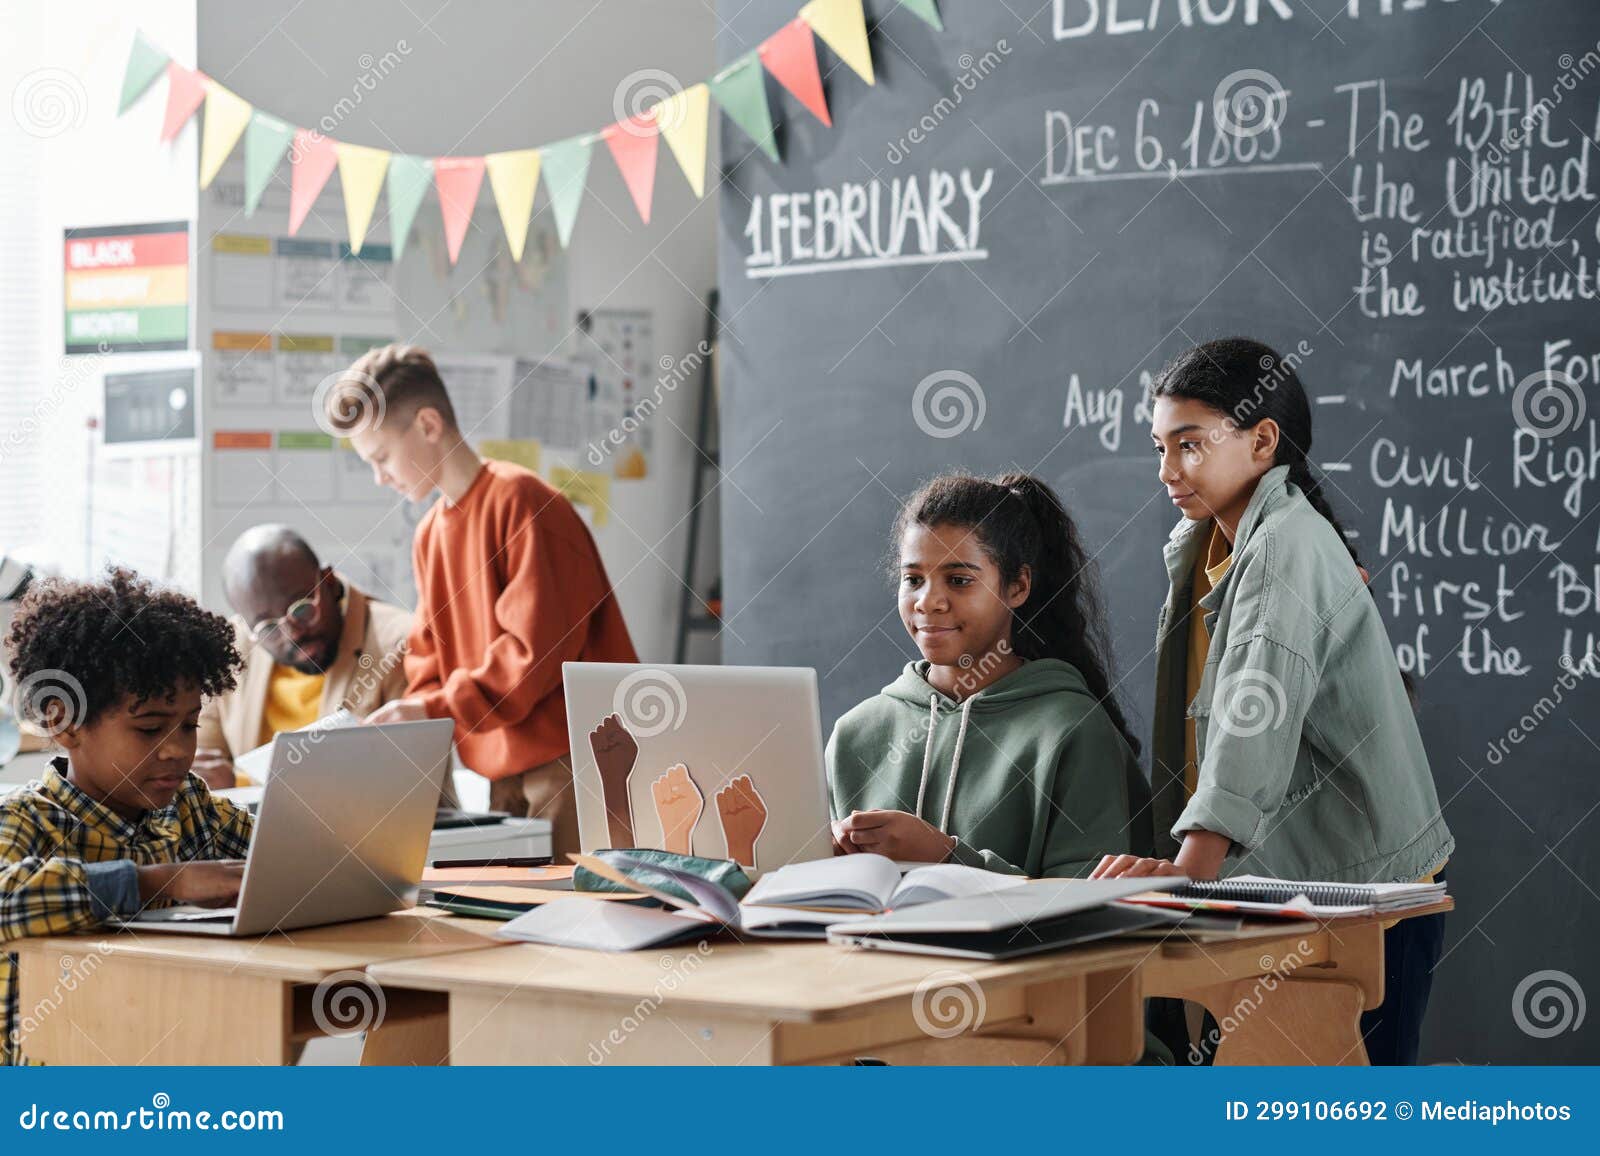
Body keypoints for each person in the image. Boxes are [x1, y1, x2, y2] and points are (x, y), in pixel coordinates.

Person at [1092, 337, 1453, 1065]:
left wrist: (1189, 868)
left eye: (1189, 446)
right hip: (1291, 885)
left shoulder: (1286, 543)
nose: (1167, 471)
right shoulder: (1206, 543)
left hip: (1371, 894)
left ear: (1262, 442)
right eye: (1160, 447)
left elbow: (1254, 709)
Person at [326, 344, 637, 856]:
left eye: (381, 457)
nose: (380, 476)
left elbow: (533, 655)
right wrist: (417, 709)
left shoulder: (522, 501)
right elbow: (427, 651)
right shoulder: (430, 533)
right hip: (499, 771)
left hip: (571, 762)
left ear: (428, 425)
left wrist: (431, 707)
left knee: (575, 921)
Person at [827, 471, 1151, 877]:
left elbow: (1088, 907)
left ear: (1017, 587)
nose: (928, 602)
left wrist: (947, 856)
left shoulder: (1073, 730)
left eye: (959, 580)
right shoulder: (854, 734)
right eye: (913, 580)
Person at [0, 568, 253, 1064]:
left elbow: (283, 862)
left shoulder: (192, 811)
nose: (178, 750)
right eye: (150, 728)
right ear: (63, 721)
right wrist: (162, 882)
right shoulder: (25, 820)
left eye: (189, 725)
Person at [193, 525, 427, 794]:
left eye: (301, 609)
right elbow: (201, 767)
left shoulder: (399, 642)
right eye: (269, 628)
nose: (292, 634)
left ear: (328, 582)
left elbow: (409, 785)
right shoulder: (231, 651)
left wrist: (241, 783)